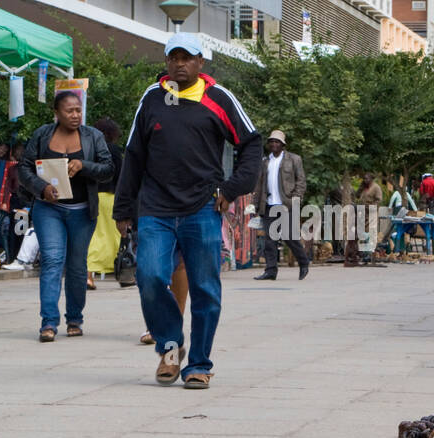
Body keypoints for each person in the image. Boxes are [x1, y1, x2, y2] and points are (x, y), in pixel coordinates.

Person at [113, 36, 262, 388]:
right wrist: (123, 208)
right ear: (166, 62)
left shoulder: (218, 98)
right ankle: (169, 346)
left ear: (201, 63)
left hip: (202, 207)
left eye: (187, 58)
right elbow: (133, 154)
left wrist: (230, 189)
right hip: (155, 208)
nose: (179, 64)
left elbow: (251, 144)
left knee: (205, 288)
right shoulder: (152, 98)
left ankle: (199, 364)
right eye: (173, 57)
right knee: (149, 276)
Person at [18, 92, 113, 341]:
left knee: (77, 265)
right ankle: (48, 323)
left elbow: (108, 169)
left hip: (82, 211)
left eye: (78, 110)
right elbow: (24, 168)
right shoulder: (42, 135)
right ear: (57, 113)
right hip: (49, 209)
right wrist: (41, 188)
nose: (75, 115)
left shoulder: (94, 136)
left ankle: (74, 319)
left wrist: (84, 166)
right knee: (51, 260)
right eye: (69, 111)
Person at [252, 129, 309, 282]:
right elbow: (259, 185)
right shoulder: (265, 162)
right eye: (271, 141)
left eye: (277, 142)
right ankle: (270, 271)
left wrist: (296, 199)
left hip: (287, 205)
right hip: (269, 205)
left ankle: (303, 262)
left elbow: (301, 181)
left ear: (283, 144)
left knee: (289, 237)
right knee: (269, 241)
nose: (274, 144)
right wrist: (255, 205)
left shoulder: (294, 159)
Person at [87, 117, 124, 289]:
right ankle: (124, 272)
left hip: (93, 197)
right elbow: (122, 176)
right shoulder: (114, 151)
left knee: (94, 236)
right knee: (115, 236)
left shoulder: (90, 149)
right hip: (110, 197)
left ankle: (87, 274)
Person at [357, 173, 384, 264]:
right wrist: (361, 187)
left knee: (371, 232)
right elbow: (357, 195)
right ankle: (364, 253)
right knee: (364, 233)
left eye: (367, 179)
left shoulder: (376, 188)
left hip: (371, 212)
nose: (365, 180)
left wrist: (372, 207)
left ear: (371, 179)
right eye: (364, 179)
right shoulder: (364, 188)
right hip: (363, 212)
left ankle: (370, 253)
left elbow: (379, 200)